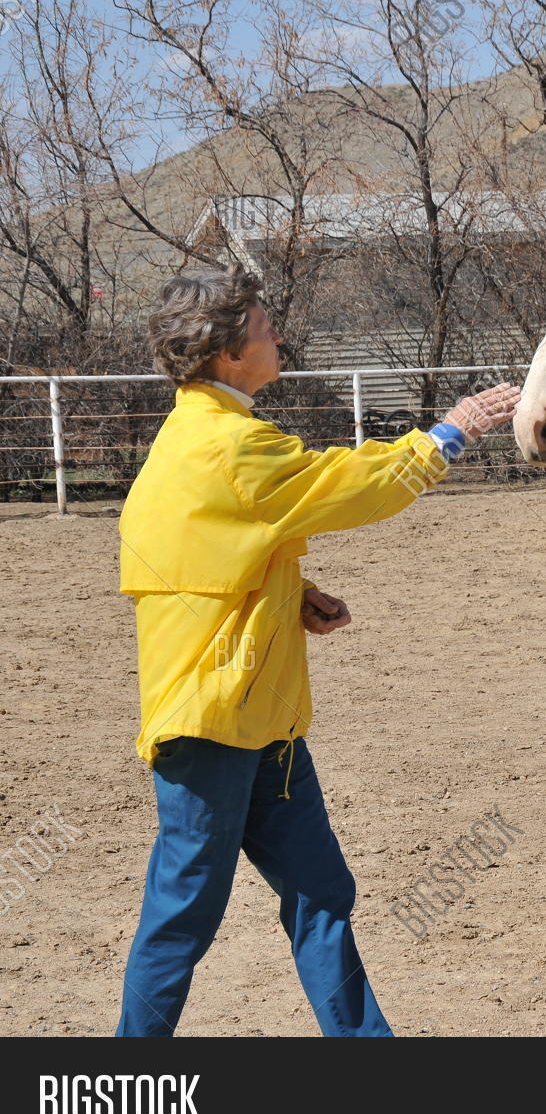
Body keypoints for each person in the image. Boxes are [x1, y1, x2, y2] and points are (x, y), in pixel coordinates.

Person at [114, 264, 517, 1036]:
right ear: (227, 352)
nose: (277, 334)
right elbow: (347, 486)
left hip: (263, 720)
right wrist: (451, 432)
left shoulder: (194, 434)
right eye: (264, 325)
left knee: (321, 896)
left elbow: (184, 553)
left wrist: (288, 596)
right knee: (181, 923)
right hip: (210, 727)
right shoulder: (228, 443)